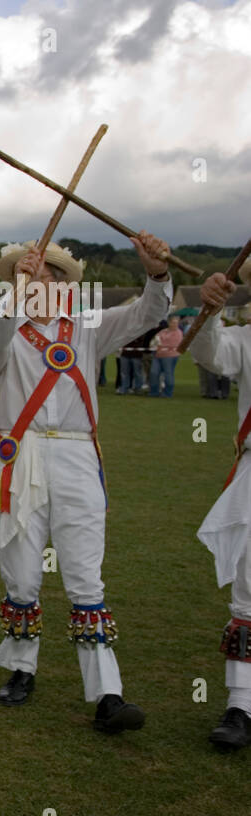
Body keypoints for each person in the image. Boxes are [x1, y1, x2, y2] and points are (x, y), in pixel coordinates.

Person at [0, 234, 173, 733]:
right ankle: (22, 668)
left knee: (86, 572)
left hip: (76, 452)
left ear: (65, 285)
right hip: (18, 454)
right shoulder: (6, 328)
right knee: (21, 570)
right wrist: (15, 295)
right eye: (30, 276)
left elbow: (146, 314)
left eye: (48, 276)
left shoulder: (89, 327)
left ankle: (108, 692)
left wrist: (156, 274)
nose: (40, 284)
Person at [188, 266, 251, 750]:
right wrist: (210, 310)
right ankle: (241, 705)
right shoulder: (246, 338)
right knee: (249, 590)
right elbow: (209, 352)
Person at [148, 315, 183, 397]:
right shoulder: (163, 331)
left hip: (170, 356)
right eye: (173, 322)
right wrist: (157, 343)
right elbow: (155, 340)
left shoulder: (178, 333)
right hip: (158, 355)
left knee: (168, 373)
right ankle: (153, 392)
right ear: (169, 322)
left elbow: (173, 344)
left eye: (176, 323)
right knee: (153, 372)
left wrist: (160, 344)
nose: (175, 324)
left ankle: (167, 393)